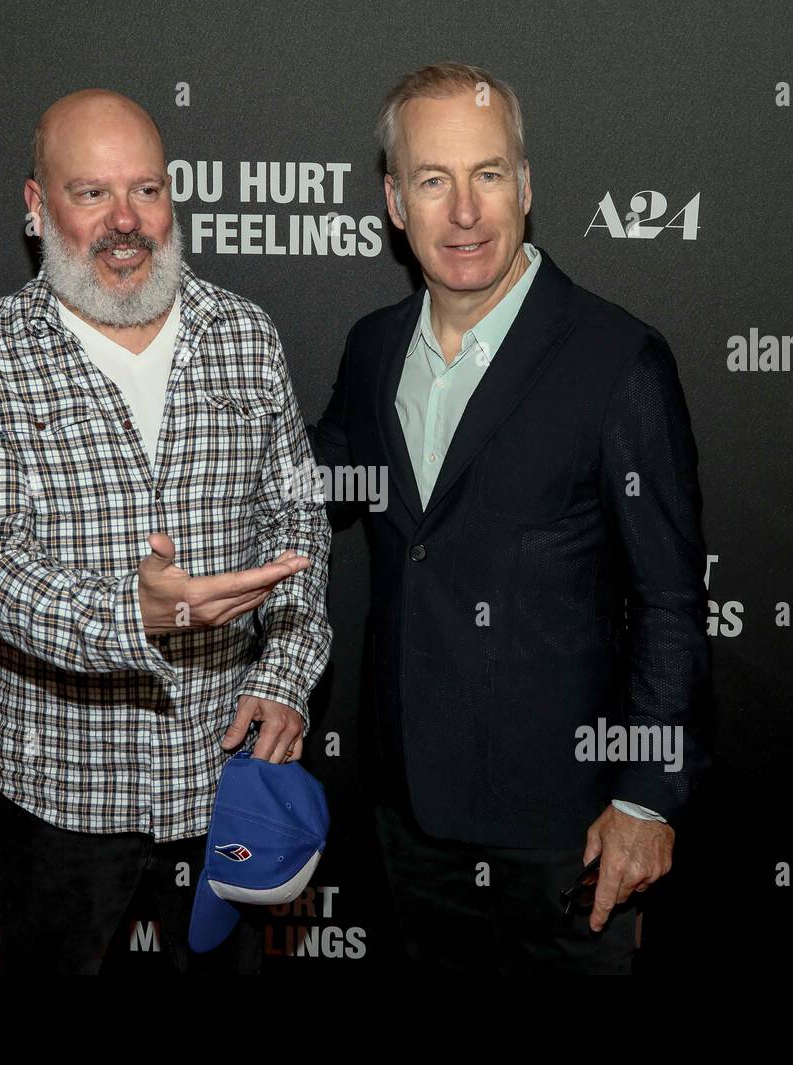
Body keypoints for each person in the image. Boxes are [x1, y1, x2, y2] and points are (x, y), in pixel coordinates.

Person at [309, 63, 712, 974]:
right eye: (432, 179)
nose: (463, 212)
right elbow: (318, 480)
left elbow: (670, 601)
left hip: (565, 835)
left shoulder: (618, 359)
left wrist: (648, 800)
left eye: (487, 174)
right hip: (407, 815)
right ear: (393, 200)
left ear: (525, 187)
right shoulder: (373, 347)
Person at [0, 89, 331, 975]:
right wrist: (132, 612)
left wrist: (286, 675)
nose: (126, 222)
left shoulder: (247, 338)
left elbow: (298, 518)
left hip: (221, 780)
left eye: (146, 191)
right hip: (63, 792)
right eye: (91, 193)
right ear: (37, 209)